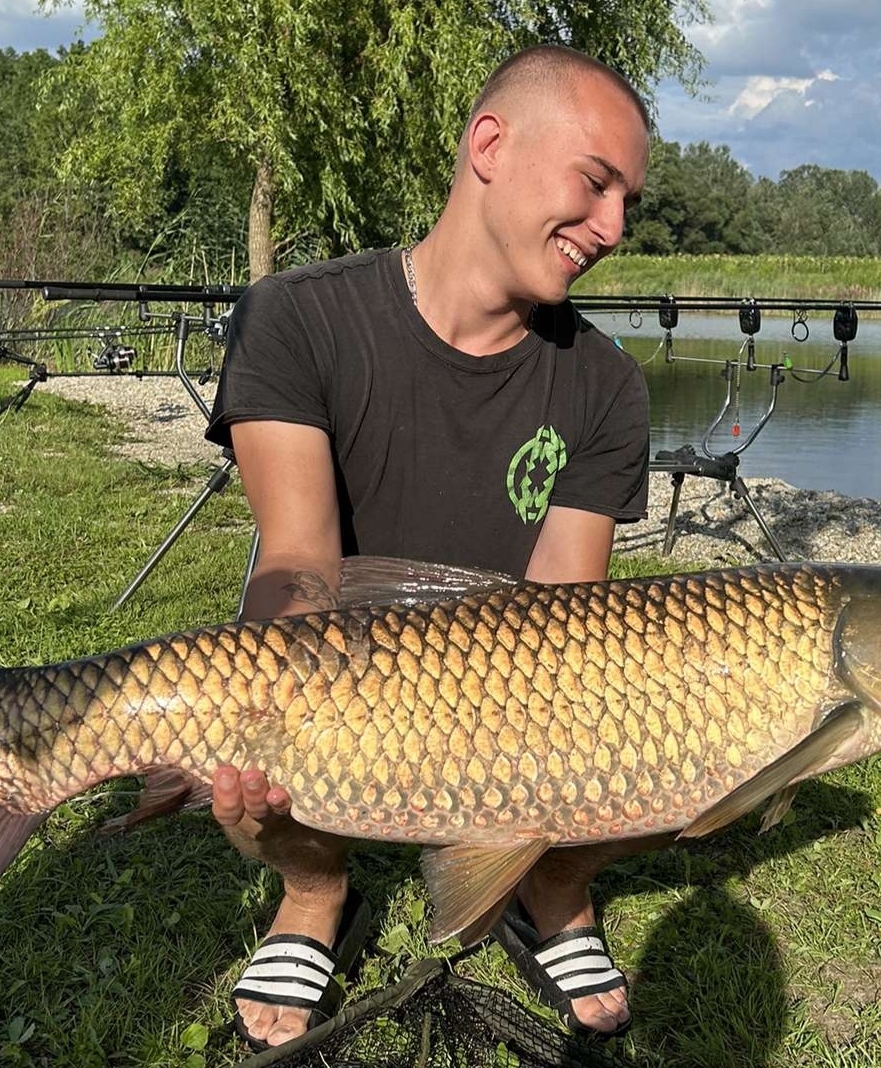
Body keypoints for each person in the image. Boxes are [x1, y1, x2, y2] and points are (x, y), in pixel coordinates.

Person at [205, 42, 652, 1049]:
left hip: (514, 685)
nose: (614, 227)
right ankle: (314, 893)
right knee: (260, 771)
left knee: (669, 732)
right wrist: (278, 720)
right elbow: (297, 559)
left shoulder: (605, 383)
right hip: (340, 657)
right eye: (594, 183)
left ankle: (552, 885)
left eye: (628, 200)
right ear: (489, 145)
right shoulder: (296, 317)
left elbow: (567, 623)